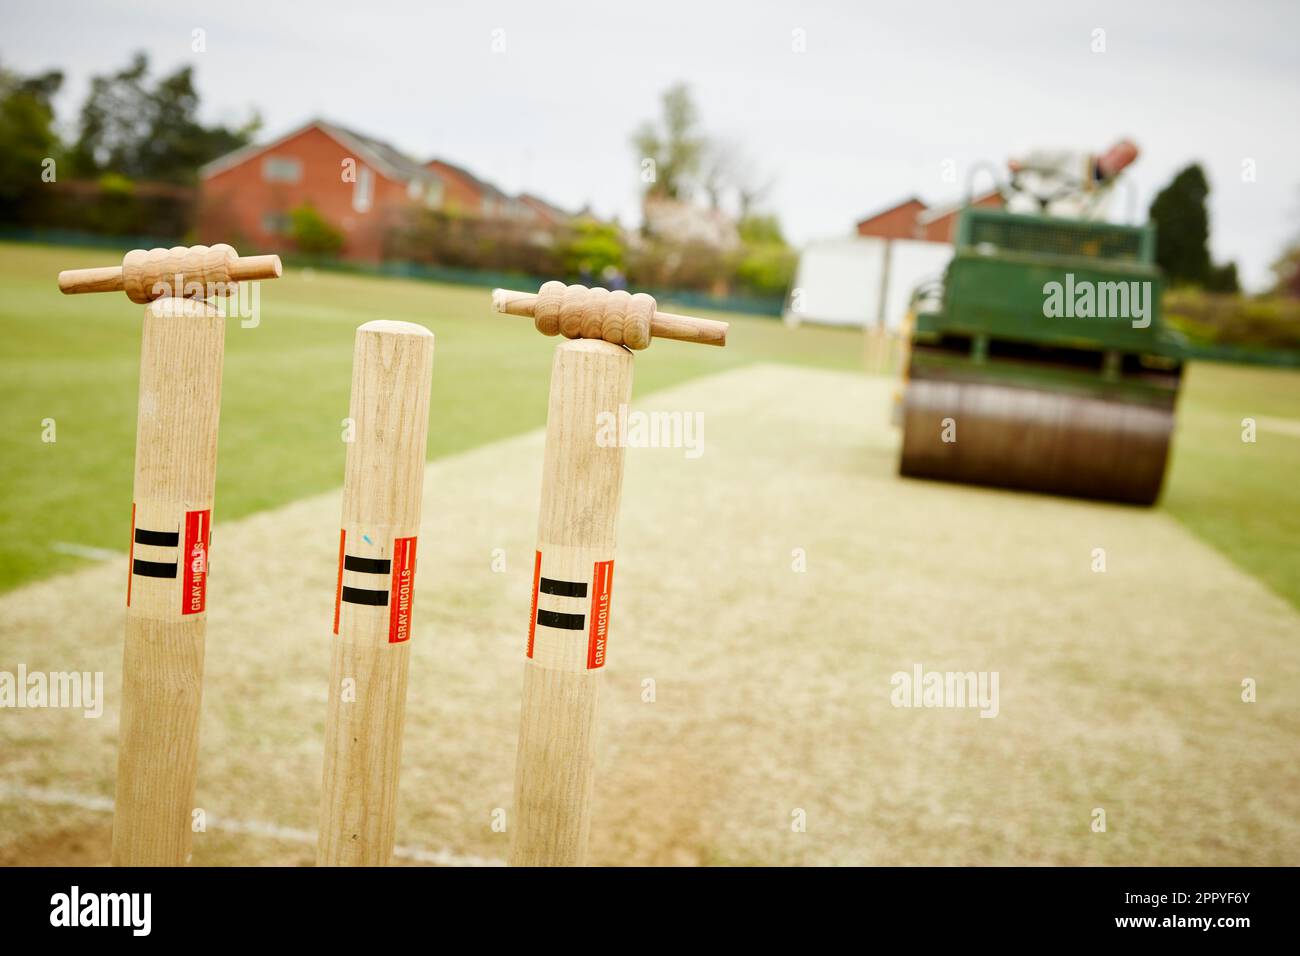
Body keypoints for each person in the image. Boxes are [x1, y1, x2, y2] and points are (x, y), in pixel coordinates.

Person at [1005, 139, 1138, 219]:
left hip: (1063, 226)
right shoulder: (1076, 156)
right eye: (1119, 157)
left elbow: (1098, 216)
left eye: (1124, 162)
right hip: (1032, 201)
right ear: (1111, 150)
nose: (1118, 164)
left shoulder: (1108, 188)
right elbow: (1038, 156)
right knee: (1021, 208)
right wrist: (1020, 161)